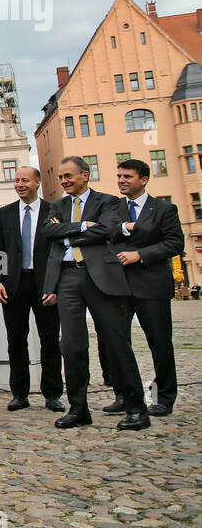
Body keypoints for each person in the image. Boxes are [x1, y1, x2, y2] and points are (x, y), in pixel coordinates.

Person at [40, 156, 147, 430]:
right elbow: (47, 231)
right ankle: (78, 409)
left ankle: (136, 408)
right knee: (72, 346)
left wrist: (66, 234)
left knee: (115, 342)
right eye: (61, 177)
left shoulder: (108, 202)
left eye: (69, 176)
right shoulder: (57, 205)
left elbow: (109, 229)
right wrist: (85, 226)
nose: (63, 181)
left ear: (85, 175)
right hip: (67, 278)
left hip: (100, 277)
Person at [110, 159, 182, 417]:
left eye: (127, 176)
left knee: (160, 344)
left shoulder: (164, 209)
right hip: (118, 286)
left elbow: (174, 243)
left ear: (144, 179)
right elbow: (105, 234)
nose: (121, 180)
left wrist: (140, 254)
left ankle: (164, 397)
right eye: (119, 176)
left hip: (152, 285)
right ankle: (124, 395)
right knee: (117, 344)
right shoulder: (113, 207)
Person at [0, 166, 64, 412]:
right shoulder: (5, 214)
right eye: (17, 180)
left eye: (25, 180)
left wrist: (57, 286)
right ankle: (19, 394)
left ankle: (52, 393)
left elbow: (61, 250)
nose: (20, 184)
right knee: (16, 341)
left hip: (45, 285)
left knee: (50, 341)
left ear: (38, 183)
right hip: (14, 285)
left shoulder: (54, 211)